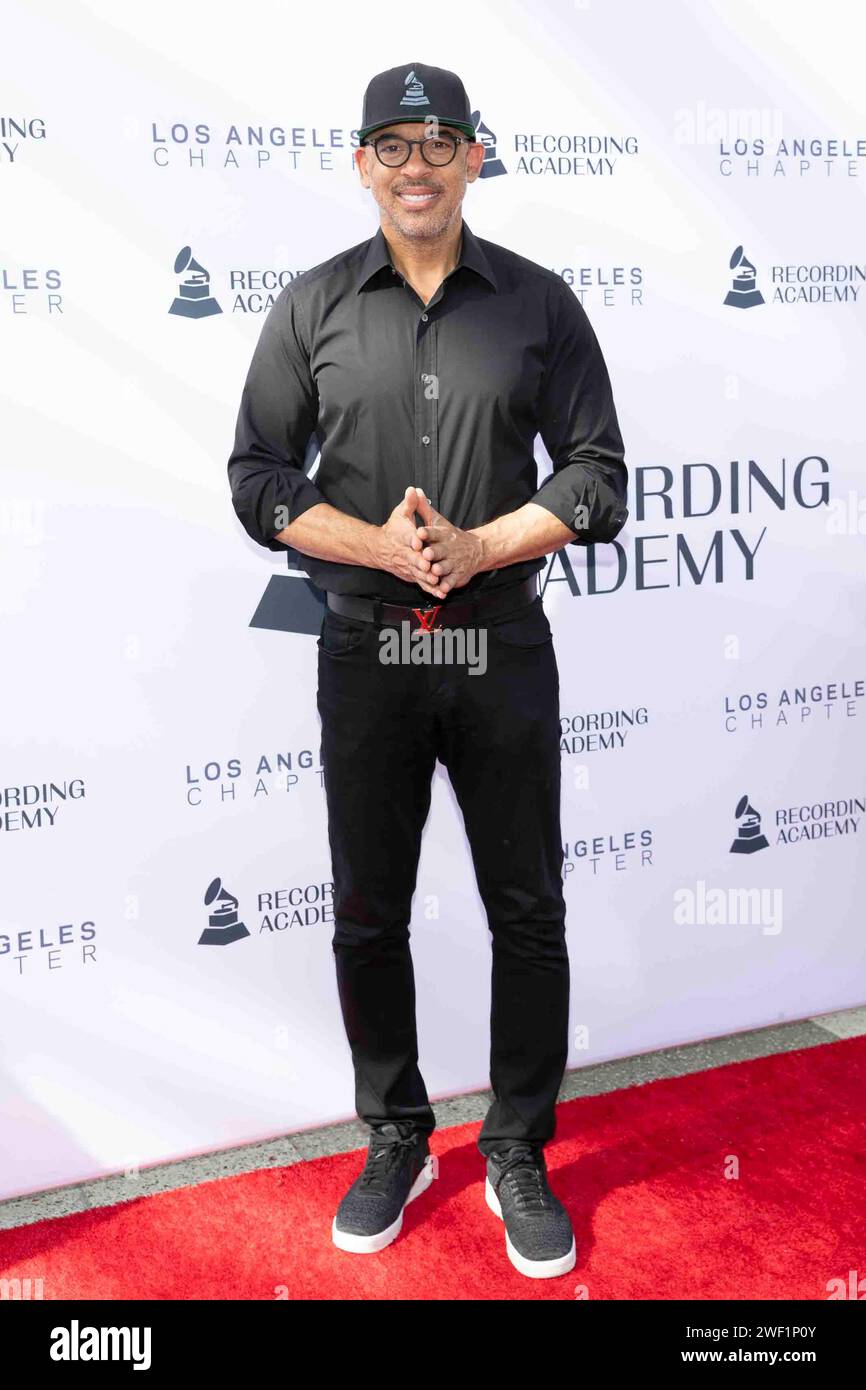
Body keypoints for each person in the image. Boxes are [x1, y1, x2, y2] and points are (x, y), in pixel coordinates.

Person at [227, 61, 628, 1280]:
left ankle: (516, 1147)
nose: (416, 164)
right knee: (366, 911)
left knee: (528, 911)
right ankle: (395, 1131)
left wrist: (480, 544)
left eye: (438, 140)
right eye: (391, 144)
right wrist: (377, 545)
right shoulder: (308, 307)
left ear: (474, 157)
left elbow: (598, 476)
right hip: (368, 646)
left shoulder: (539, 304)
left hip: (497, 641)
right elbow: (256, 479)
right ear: (361, 164)